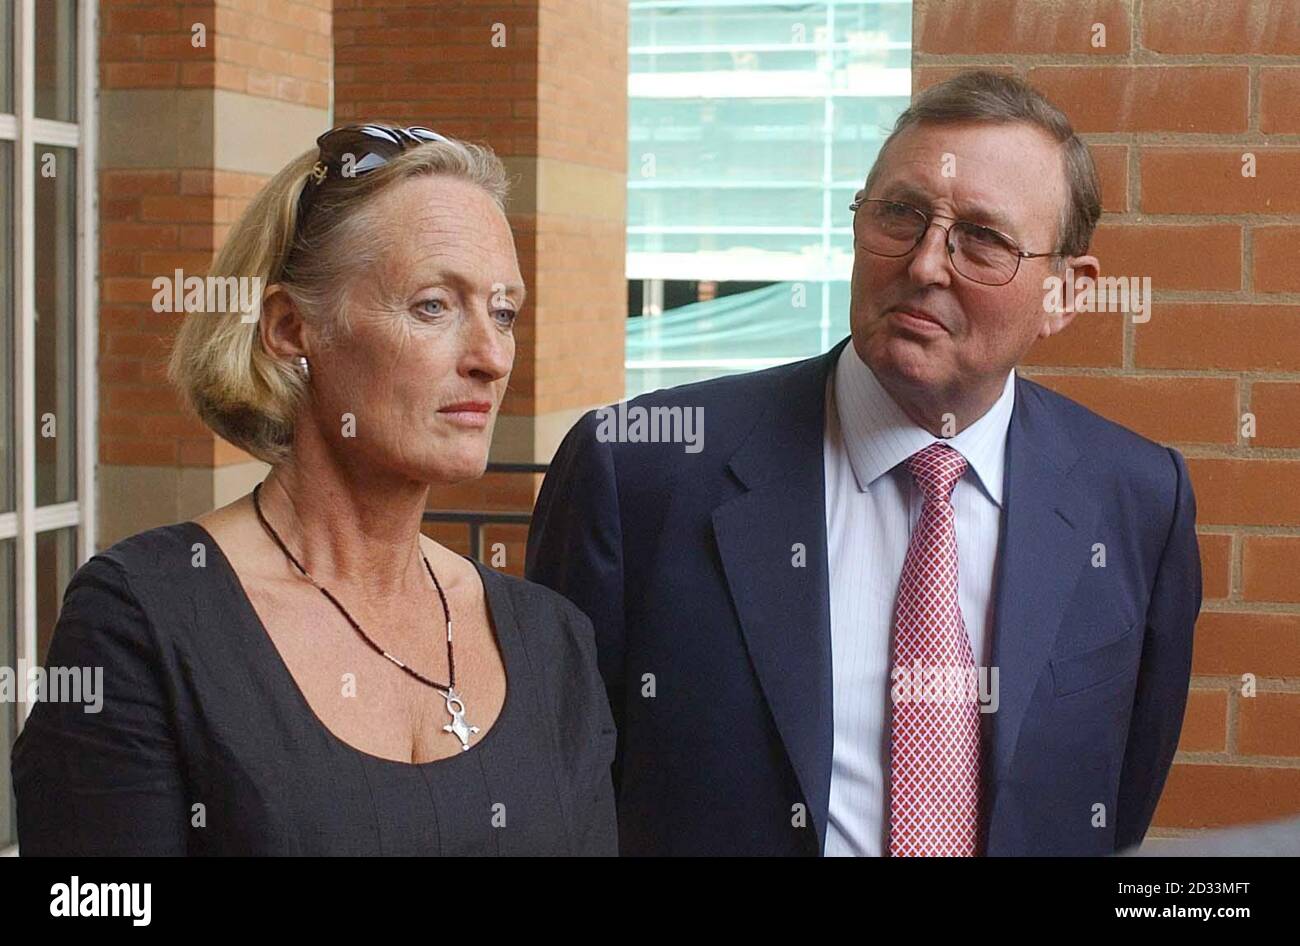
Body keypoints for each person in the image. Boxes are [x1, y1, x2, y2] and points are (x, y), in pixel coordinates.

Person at [526, 72, 1201, 856]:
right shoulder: (638, 470)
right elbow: (557, 791)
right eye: (901, 214)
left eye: (981, 239)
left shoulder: (1138, 501)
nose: (924, 265)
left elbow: (1116, 803)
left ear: (1064, 294)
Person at [13, 124, 616, 856]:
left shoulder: (550, 639)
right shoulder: (146, 619)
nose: (491, 357)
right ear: (291, 326)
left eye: (503, 312)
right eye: (433, 305)